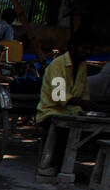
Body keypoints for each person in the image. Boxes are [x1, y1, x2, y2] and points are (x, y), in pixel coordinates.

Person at [36, 30, 97, 176]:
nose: (87, 52)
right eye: (84, 48)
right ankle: (51, 167)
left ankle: (65, 166)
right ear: (74, 47)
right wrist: (83, 103)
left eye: (90, 49)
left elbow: (84, 94)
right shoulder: (58, 65)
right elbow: (59, 96)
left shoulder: (82, 66)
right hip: (51, 112)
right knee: (65, 131)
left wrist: (89, 107)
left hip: (72, 113)